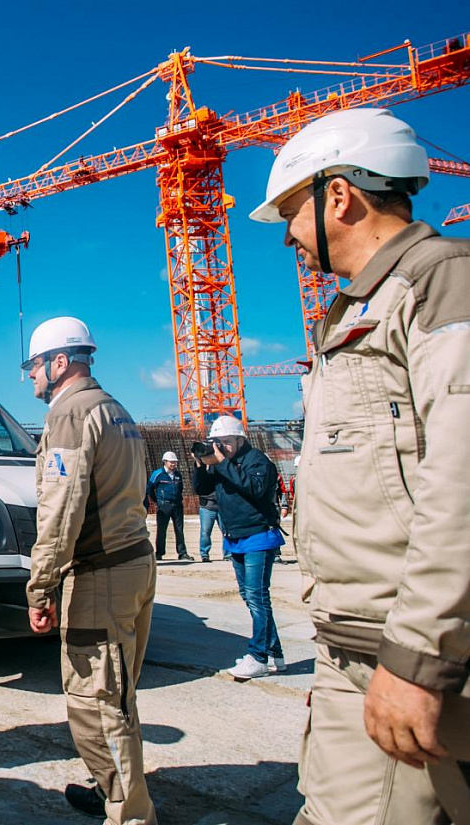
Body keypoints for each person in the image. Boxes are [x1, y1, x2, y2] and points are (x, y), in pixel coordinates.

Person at [250, 108, 470, 825]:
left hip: (407, 656)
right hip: (362, 648)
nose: (288, 234)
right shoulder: (360, 310)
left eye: (291, 212)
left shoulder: (439, 284)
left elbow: (461, 484)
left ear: (338, 196)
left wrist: (417, 658)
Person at [22, 316, 157, 824]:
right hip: (134, 563)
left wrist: (41, 586)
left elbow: (61, 512)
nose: (30, 375)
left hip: (102, 574)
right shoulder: (116, 410)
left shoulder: (71, 414)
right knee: (117, 696)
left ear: (59, 362)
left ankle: (130, 815)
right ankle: (113, 792)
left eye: (34, 365)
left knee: (96, 706)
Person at [192, 416, 285, 680]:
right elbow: (202, 489)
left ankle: (258, 657)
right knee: (249, 596)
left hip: (258, 535)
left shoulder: (258, 461)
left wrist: (222, 463)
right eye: (216, 441)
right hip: (235, 536)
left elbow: (254, 487)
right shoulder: (222, 463)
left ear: (240, 440)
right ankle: (275, 653)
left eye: (226, 441)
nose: (221, 446)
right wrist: (201, 466)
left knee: (257, 597)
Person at [145, 451, 192, 561]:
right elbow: (149, 488)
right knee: (162, 530)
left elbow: (180, 488)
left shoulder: (178, 475)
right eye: (171, 462)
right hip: (164, 506)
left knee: (179, 530)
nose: (173, 464)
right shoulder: (158, 474)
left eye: (175, 462)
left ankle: (182, 553)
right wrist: (157, 500)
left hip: (177, 506)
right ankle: (159, 553)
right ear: (165, 462)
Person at [197, 489, 223, 563]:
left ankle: (228, 554)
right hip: (207, 507)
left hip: (223, 507)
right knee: (205, 532)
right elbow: (197, 488)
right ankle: (204, 554)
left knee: (226, 532)